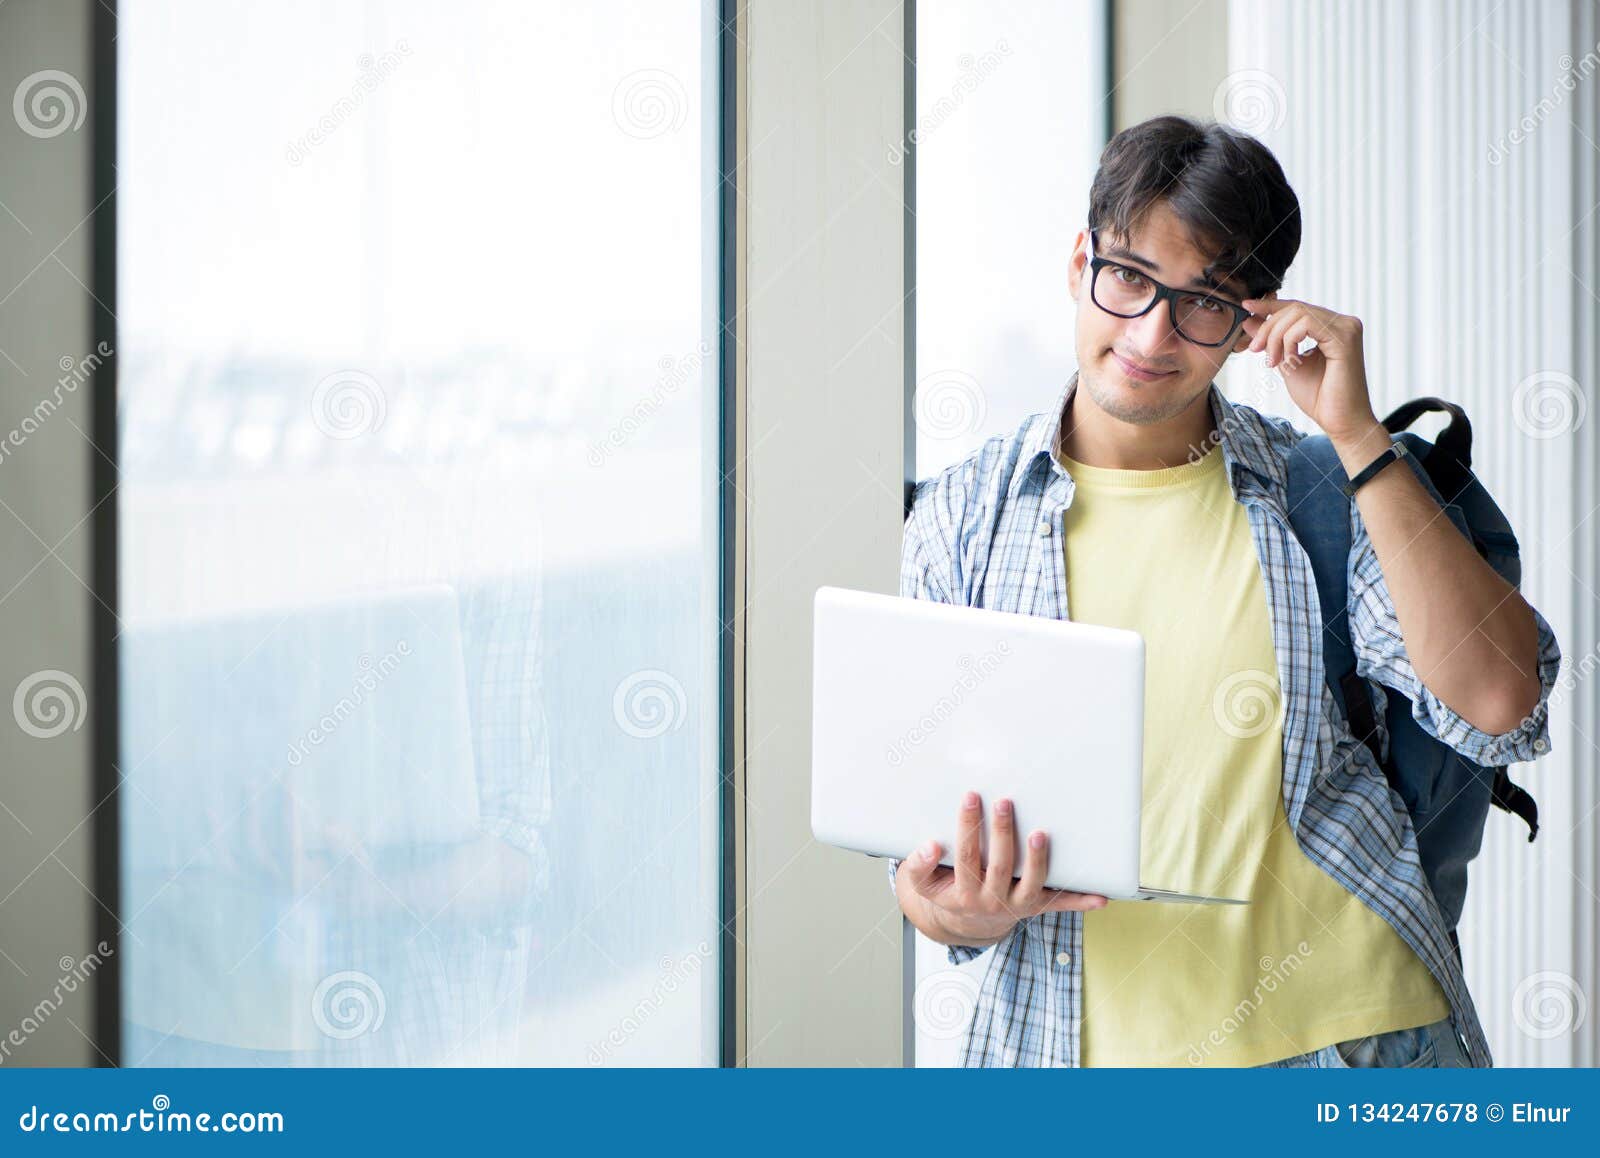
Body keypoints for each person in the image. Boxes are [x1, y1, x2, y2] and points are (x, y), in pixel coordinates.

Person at [888, 114, 1561, 1068]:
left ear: (1254, 321)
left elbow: (1502, 705)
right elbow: (919, 870)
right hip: (1074, 1057)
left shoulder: (1320, 492)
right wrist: (955, 907)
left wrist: (1360, 433)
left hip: (1355, 1051)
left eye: (1203, 301)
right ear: (1083, 261)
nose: (1152, 335)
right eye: (1128, 278)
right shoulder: (966, 516)